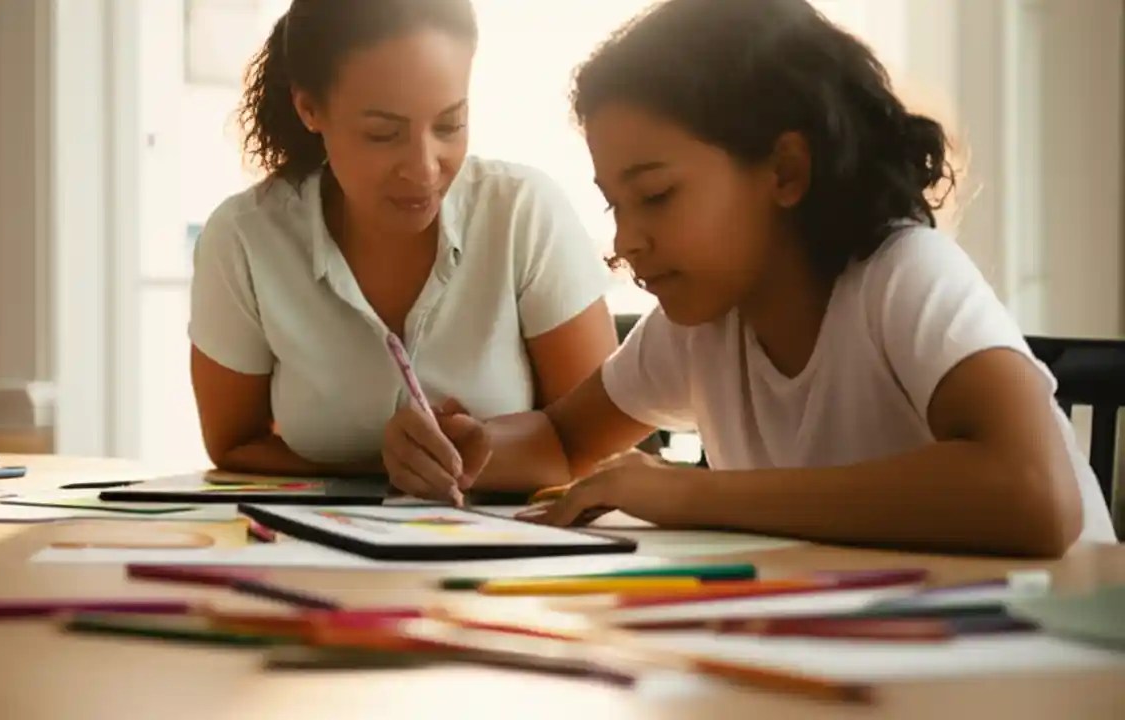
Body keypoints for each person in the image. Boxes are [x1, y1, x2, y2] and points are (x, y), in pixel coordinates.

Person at [383, 0, 1116, 556]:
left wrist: (700, 493)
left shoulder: (903, 276)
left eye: (657, 195)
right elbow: (563, 439)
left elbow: (1035, 497)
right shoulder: (702, 323)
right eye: (615, 203)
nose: (625, 240)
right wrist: (471, 448)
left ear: (785, 170)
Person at [189, 0, 616, 484]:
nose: (425, 167)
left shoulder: (522, 213)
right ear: (310, 109)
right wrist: (383, 469)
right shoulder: (244, 239)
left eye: (449, 125)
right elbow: (236, 445)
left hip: (510, 551)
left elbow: (603, 445)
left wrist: (474, 454)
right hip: (325, 552)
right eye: (383, 134)